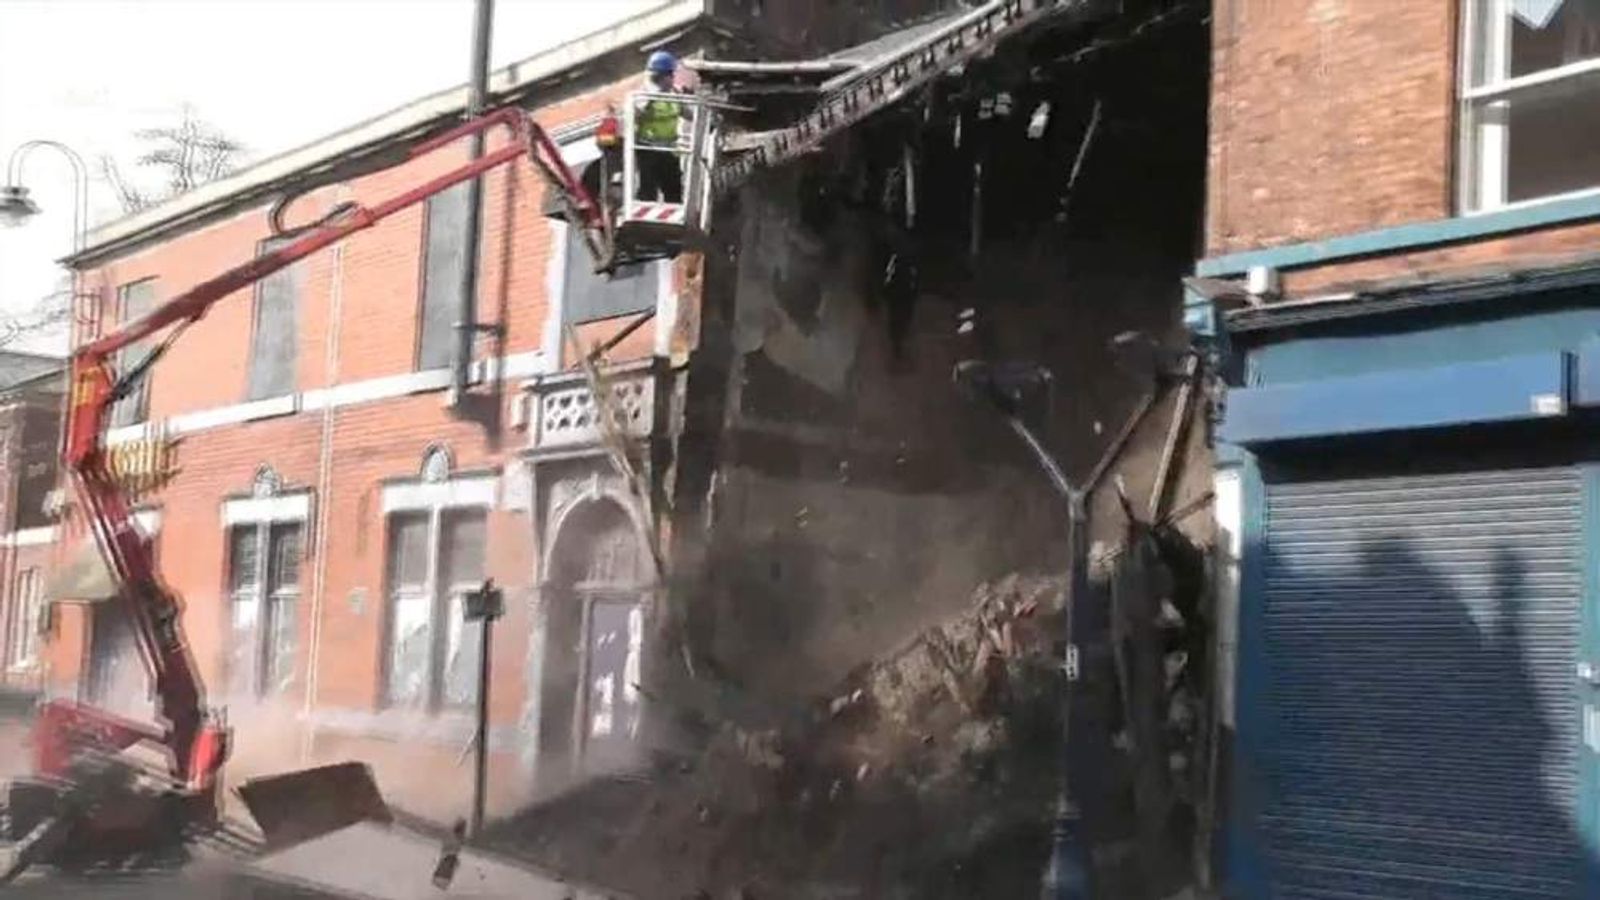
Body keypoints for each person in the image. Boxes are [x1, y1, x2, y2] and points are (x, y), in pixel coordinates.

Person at [634, 50, 685, 204]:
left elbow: (687, 112)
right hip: (648, 150)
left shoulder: (674, 93)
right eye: (671, 75)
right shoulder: (644, 95)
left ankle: (676, 215)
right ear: (661, 76)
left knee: (674, 190)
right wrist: (650, 99)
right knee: (648, 191)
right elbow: (635, 114)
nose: (673, 78)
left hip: (669, 151)